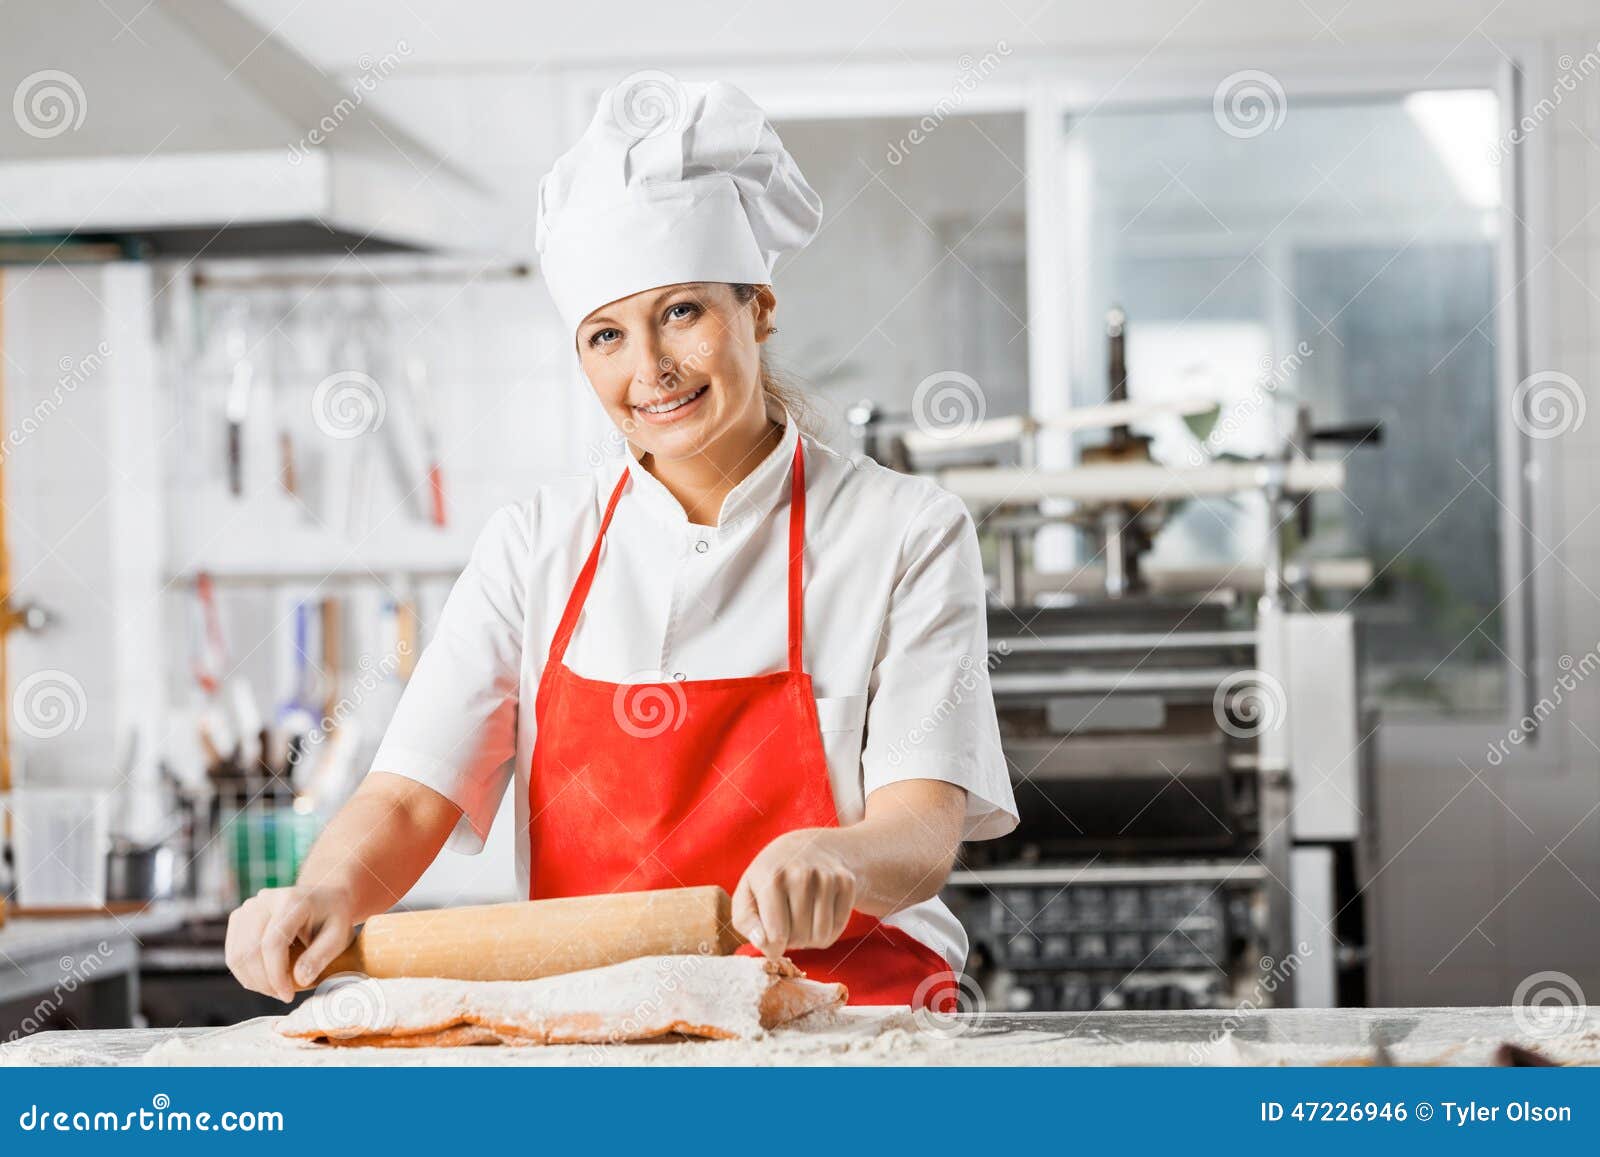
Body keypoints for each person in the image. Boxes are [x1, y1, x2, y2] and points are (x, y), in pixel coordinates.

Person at [225, 77, 1018, 1008]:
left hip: (852, 1038)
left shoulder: (904, 532)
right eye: (606, 335)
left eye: (682, 312)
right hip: (602, 1043)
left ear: (758, 308)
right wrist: (321, 890)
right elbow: (408, 796)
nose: (649, 371)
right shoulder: (534, 545)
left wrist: (836, 855)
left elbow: (923, 830)